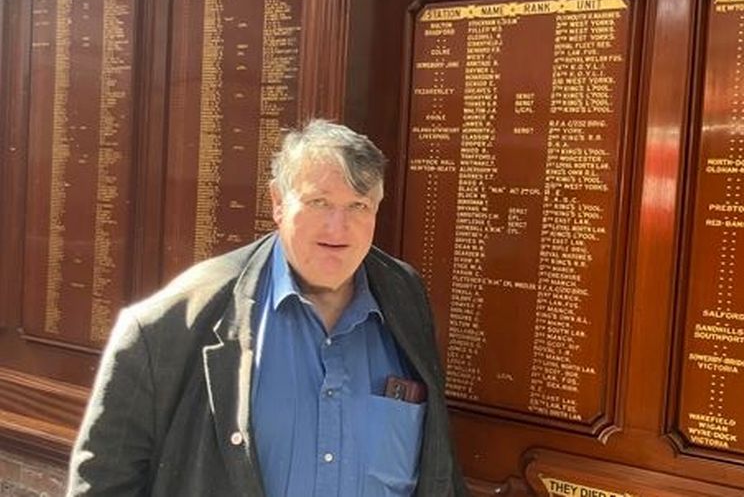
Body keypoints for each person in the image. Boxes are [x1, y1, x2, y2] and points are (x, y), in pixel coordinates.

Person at [67, 120, 468, 496]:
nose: (338, 227)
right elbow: (104, 481)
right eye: (319, 202)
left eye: (358, 206)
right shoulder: (173, 323)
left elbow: (437, 464)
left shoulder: (404, 298)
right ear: (278, 201)